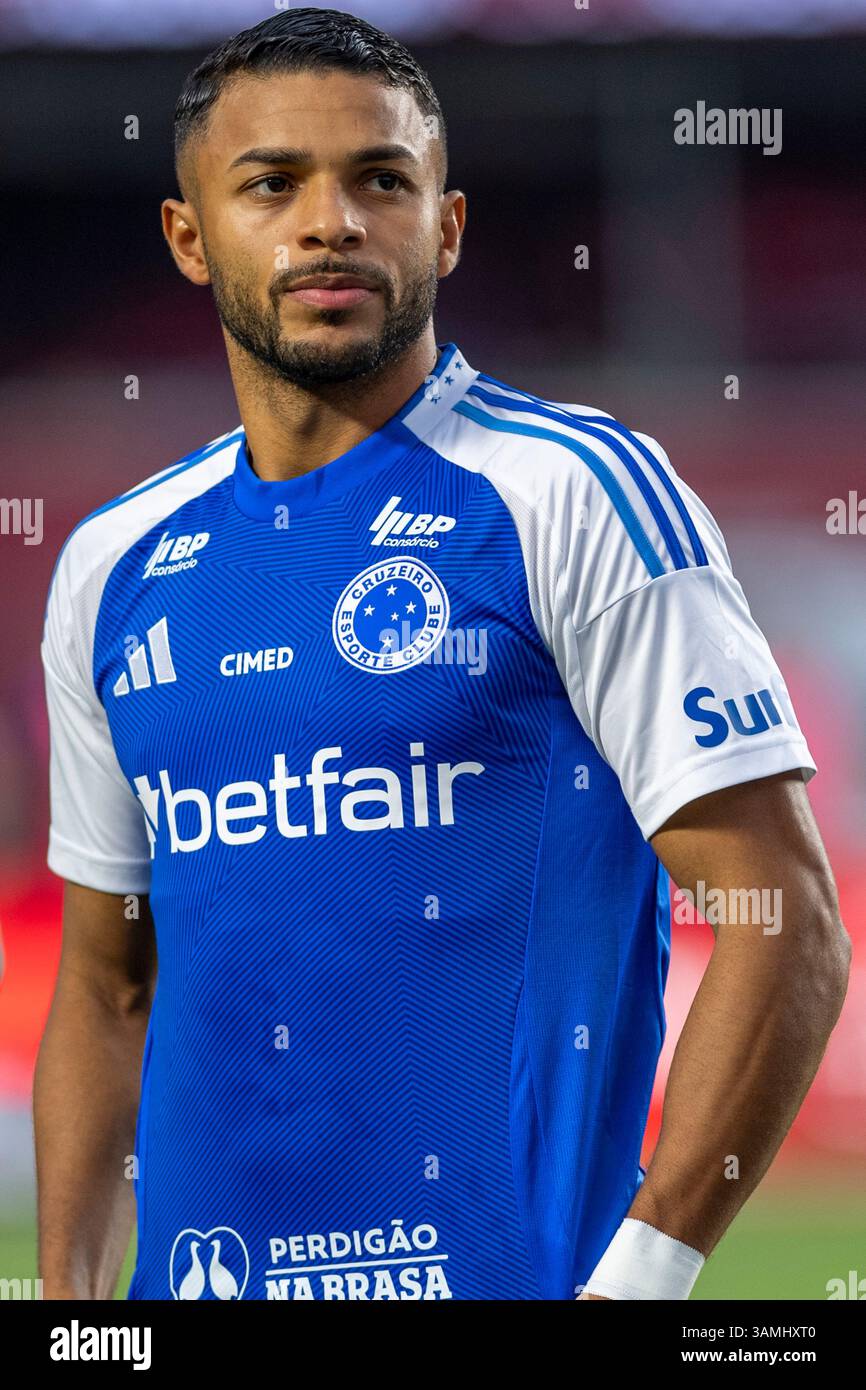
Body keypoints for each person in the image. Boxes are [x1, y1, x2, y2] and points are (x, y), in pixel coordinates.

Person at [35, 8, 850, 1302]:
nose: (330, 222)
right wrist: (75, 1319)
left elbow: (780, 914)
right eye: (271, 184)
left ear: (446, 225)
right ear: (189, 238)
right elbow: (104, 984)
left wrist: (638, 1284)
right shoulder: (111, 564)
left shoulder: (569, 492)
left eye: (379, 180)